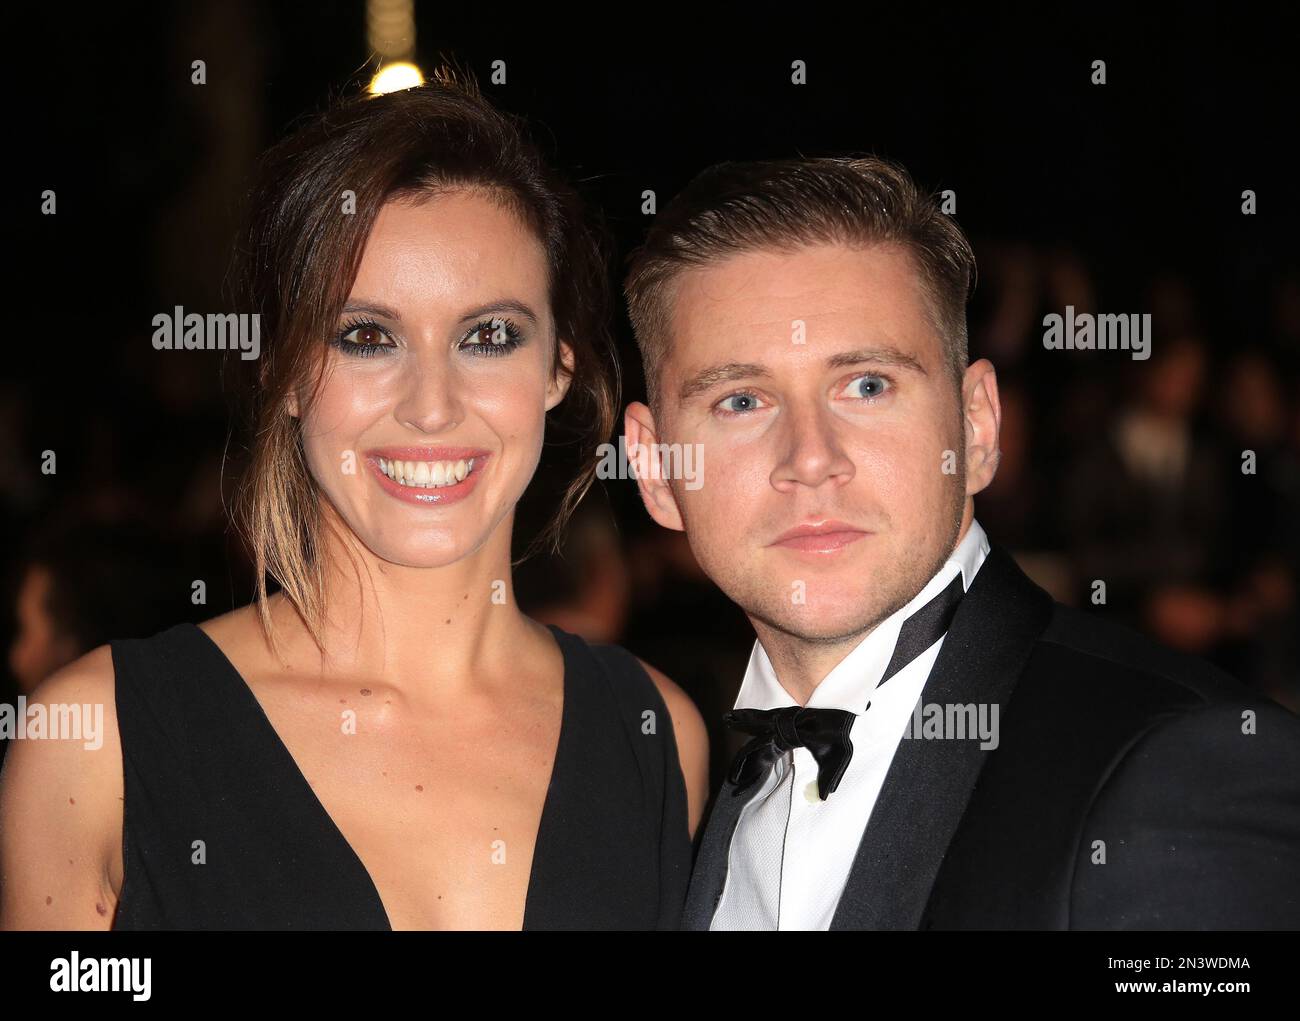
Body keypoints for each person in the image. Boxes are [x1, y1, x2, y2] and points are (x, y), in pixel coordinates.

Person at [0, 74, 708, 931]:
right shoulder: (97, 742)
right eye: (366, 337)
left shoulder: (655, 736)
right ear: (286, 372)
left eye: (489, 336)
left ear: (559, 368)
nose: (432, 406)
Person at [620, 156, 1300, 929]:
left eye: (867, 385)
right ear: (655, 468)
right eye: (741, 400)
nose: (810, 457)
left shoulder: (1181, 769)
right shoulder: (667, 813)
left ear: (976, 426)